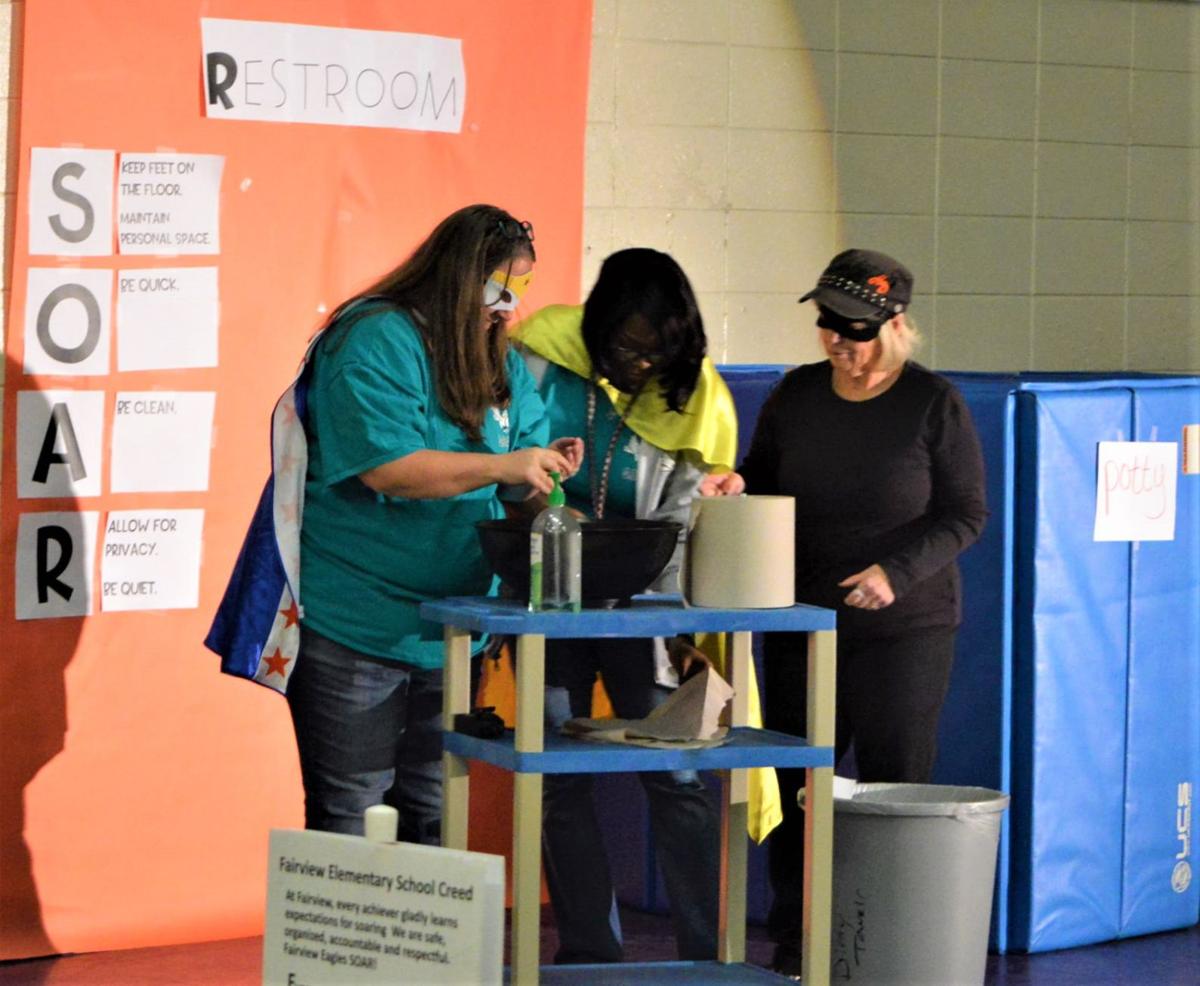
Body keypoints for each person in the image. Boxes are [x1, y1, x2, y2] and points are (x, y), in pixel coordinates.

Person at [207, 204, 581, 844]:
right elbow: (390, 469)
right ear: (457, 277)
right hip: (357, 625)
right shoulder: (375, 338)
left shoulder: (501, 360)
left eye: (519, 290)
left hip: (454, 632)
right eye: (497, 289)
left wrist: (539, 479)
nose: (506, 308)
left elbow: (516, 474)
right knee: (351, 816)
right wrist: (503, 464)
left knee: (432, 818)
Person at [736, 248, 987, 976]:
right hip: (804, 625)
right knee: (797, 782)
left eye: (855, 329)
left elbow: (966, 514)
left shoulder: (932, 403)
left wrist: (895, 574)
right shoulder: (797, 394)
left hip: (902, 630)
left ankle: (891, 948)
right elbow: (762, 475)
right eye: (827, 324)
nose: (838, 341)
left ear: (894, 325)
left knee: (892, 781)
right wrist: (733, 485)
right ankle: (796, 942)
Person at [512, 248, 738, 964]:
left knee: (674, 774)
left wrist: (663, 616)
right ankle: (589, 955)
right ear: (596, 326)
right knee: (553, 776)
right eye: (624, 350)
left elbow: (687, 519)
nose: (639, 367)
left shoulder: (698, 393)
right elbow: (505, 454)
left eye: (654, 355)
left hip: (646, 605)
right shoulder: (541, 349)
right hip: (547, 594)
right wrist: (544, 512)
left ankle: (704, 958)